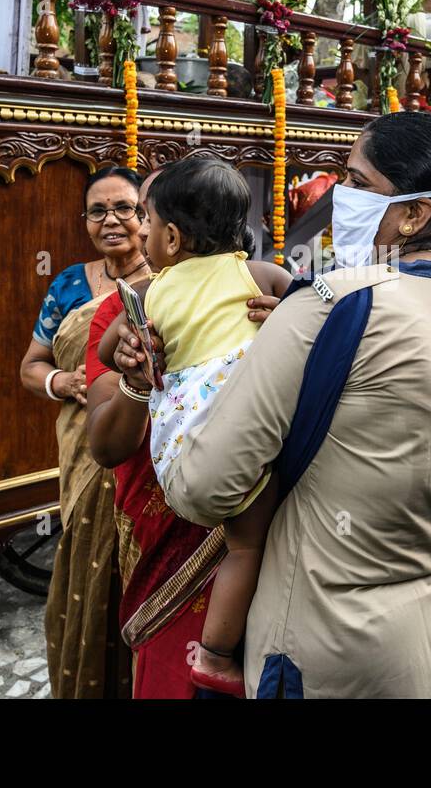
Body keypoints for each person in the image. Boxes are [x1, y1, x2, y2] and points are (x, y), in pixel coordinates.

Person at [122, 112, 431, 698]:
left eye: (355, 181)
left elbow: (205, 486)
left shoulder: (328, 305)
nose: (340, 196)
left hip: (329, 648)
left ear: (413, 214)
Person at [83, 167, 283, 698]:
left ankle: (216, 658)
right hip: (188, 519)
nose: (136, 229)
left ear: (171, 236)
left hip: (189, 476)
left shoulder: (154, 297)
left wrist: (285, 321)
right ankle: (216, 656)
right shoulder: (133, 306)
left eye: (142, 217)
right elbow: (104, 447)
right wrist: (130, 376)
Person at [19, 166, 149, 699]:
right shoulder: (69, 283)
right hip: (83, 453)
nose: (111, 221)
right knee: (85, 574)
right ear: (85, 222)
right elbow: (30, 364)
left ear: (146, 217)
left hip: (141, 454)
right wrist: (58, 380)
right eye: (98, 211)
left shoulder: (165, 280)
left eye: (124, 208)